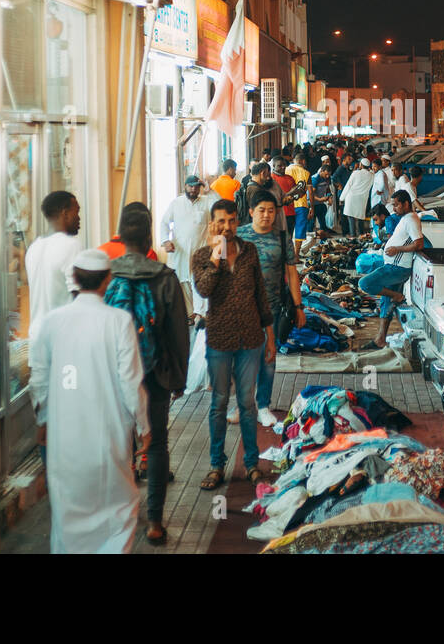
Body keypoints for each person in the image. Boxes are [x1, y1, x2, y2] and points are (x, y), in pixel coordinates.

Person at [29, 249, 148, 554]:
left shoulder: (53, 321)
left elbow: (39, 378)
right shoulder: (119, 321)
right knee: (117, 509)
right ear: (108, 280)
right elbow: (130, 381)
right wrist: (143, 426)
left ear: (75, 279)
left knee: (68, 513)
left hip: (64, 437)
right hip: (108, 434)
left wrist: (42, 420)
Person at [102, 210, 189, 545]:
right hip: (155, 371)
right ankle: (154, 521)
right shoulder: (164, 277)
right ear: (149, 238)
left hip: (115, 374)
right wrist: (179, 377)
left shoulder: (106, 275)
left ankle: (121, 515)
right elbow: (179, 332)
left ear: (120, 239)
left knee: (120, 443)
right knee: (157, 444)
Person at [191, 199, 273, 491]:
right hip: (220, 340)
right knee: (219, 404)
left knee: (247, 404)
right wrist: (216, 257)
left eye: (231, 221)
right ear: (212, 224)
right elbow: (203, 289)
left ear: (238, 222)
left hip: (251, 338)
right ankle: (216, 465)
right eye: (221, 222)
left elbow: (261, 295)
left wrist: (270, 337)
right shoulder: (201, 256)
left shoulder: (249, 251)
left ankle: (251, 464)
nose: (227, 227)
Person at [236, 192, 305, 427]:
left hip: (271, 309)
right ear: (252, 211)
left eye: (271, 211)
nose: (267, 215)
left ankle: (263, 405)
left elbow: (292, 273)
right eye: (262, 210)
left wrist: (299, 306)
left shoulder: (282, 237)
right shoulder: (238, 236)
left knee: (268, 358)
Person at [359, 190, 425, 348]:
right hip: (395, 266)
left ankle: (397, 295)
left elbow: (419, 244)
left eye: (396, 205)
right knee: (386, 302)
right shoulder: (406, 218)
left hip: (397, 268)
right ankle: (380, 339)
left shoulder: (411, 219)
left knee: (364, 283)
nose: (394, 208)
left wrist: (397, 249)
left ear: (406, 204)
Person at [25, 191, 83, 343]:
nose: (79, 218)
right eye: (76, 212)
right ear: (65, 214)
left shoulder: (33, 248)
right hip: (63, 338)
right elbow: (79, 295)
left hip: (37, 338)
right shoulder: (72, 246)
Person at [158, 175, 215, 320]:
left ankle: (200, 313)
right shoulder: (176, 203)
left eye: (196, 186)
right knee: (181, 281)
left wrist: (210, 190)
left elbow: (221, 205)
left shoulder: (206, 201)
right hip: (180, 250)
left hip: (200, 250)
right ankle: (188, 314)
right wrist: (165, 241)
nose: (193, 189)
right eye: (190, 186)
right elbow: (164, 223)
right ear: (185, 186)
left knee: (199, 280)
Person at [340, 158, 375, 234]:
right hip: (362, 199)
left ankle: (353, 235)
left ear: (361, 165)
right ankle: (361, 235)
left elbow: (348, 186)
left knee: (351, 217)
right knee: (360, 218)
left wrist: (341, 198)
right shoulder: (372, 176)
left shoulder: (355, 173)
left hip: (351, 198)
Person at [285, 154, 312, 248]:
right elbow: (310, 192)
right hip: (301, 205)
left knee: (288, 231)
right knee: (300, 230)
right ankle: (296, 255)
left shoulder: (285, 170)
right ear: (303, 161)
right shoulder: (306, 173)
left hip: (288, 204)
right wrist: (312, 207)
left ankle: (288, 255)